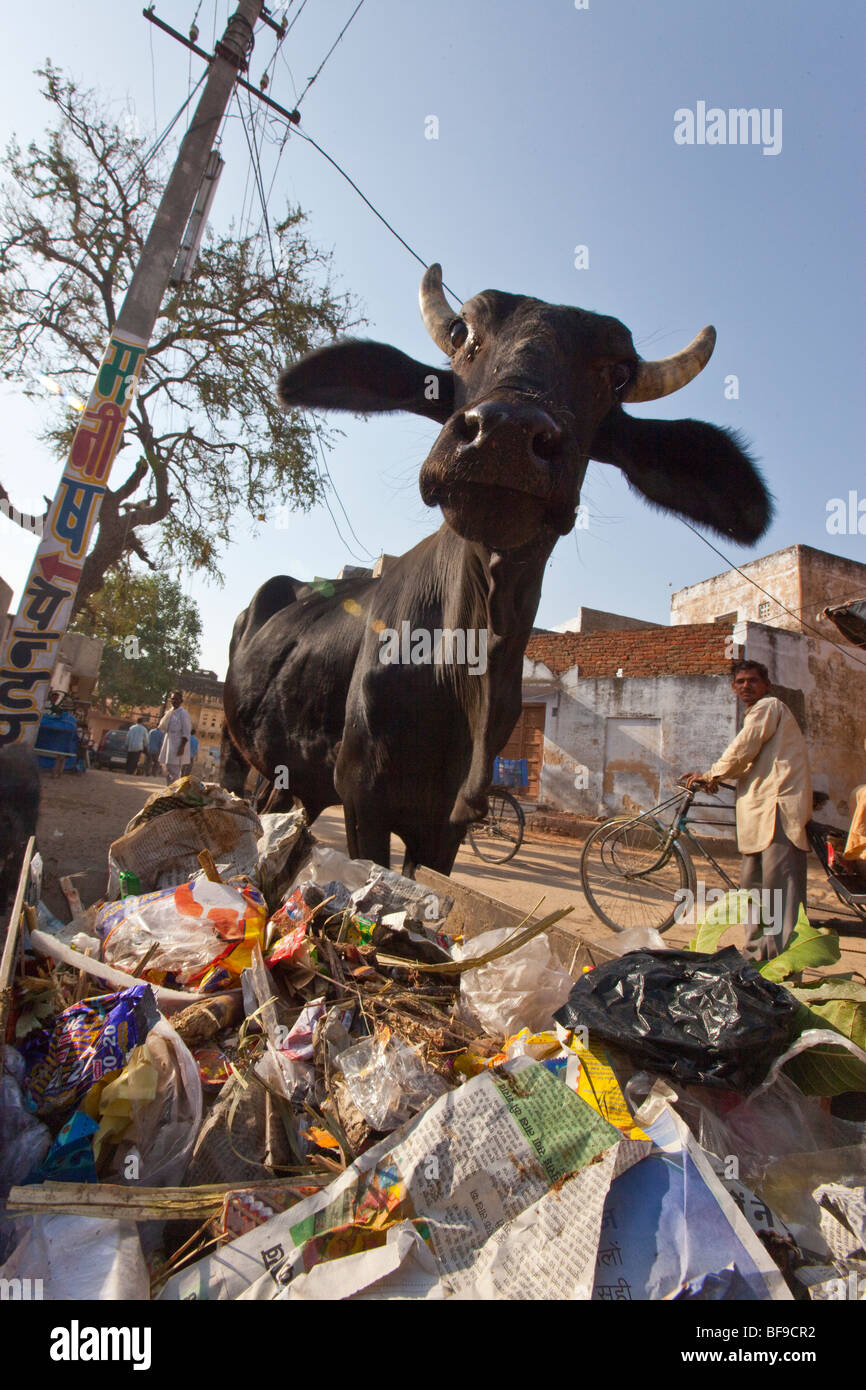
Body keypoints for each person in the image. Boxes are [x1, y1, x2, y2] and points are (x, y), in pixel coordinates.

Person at [683, 659, 812, 960]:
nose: (746, 686)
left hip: (778, 808)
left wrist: (712, 774)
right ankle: (756, 955)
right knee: (753, 888)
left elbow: (744, 747)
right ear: (733, 687)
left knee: (779, 891)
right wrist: (717, 777)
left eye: (752, 680)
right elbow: (748, 759)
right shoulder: (757, 714)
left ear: (765, 685)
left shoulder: (769, 706)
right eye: (740, 682)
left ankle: (784, 966)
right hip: (757, 811)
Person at [157, 691, 192, 785]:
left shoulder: (183, 713)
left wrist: (181, 747)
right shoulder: (170, 713)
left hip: (177, 746)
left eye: (176, 699)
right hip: (168, 744)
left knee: (174, 770)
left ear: (181, 701)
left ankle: (175, 791)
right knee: (167, 769)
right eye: (172, 699)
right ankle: (170, 789)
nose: (174, 701)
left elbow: (186, 732)